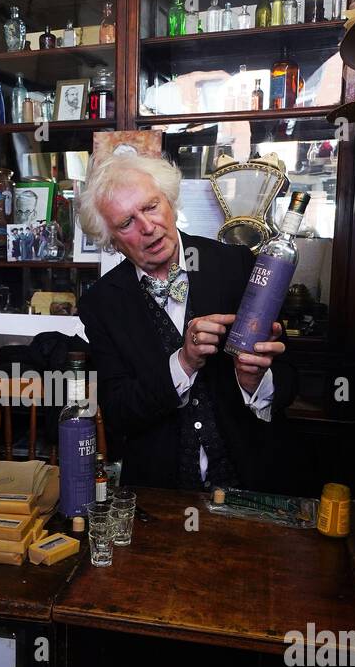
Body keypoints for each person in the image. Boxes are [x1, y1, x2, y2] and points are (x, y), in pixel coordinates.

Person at [75, 152, 295, 492]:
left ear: (170, 201)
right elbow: (118, 411)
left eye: (150, 206)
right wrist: (183, 362)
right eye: (126, 223)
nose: (147, 227)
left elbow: (291, 377)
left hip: (249, 483)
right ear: (112, 242)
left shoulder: (235, 264)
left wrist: (256, 380)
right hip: (160, 495)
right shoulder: (102, 303)